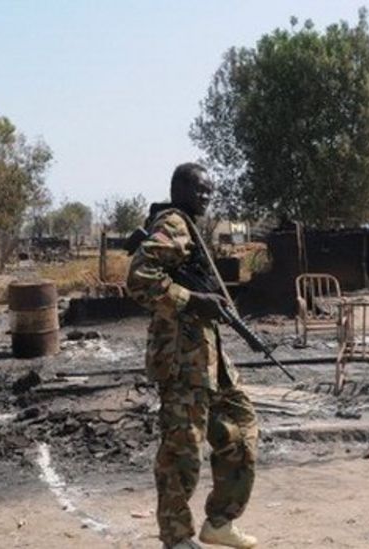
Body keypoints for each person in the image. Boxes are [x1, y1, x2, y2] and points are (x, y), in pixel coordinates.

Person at [127, 163, 259, 549]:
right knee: (182, 450)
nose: (205, 197)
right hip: (181, 356)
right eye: (198, 190)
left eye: (209, 191)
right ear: (178, 188)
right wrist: (192, 300)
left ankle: (219, 521)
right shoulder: (173, 224)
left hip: (208, 355)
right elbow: (139, 278)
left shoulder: (189, 226)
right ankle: (177, 537)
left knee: (240, 429)